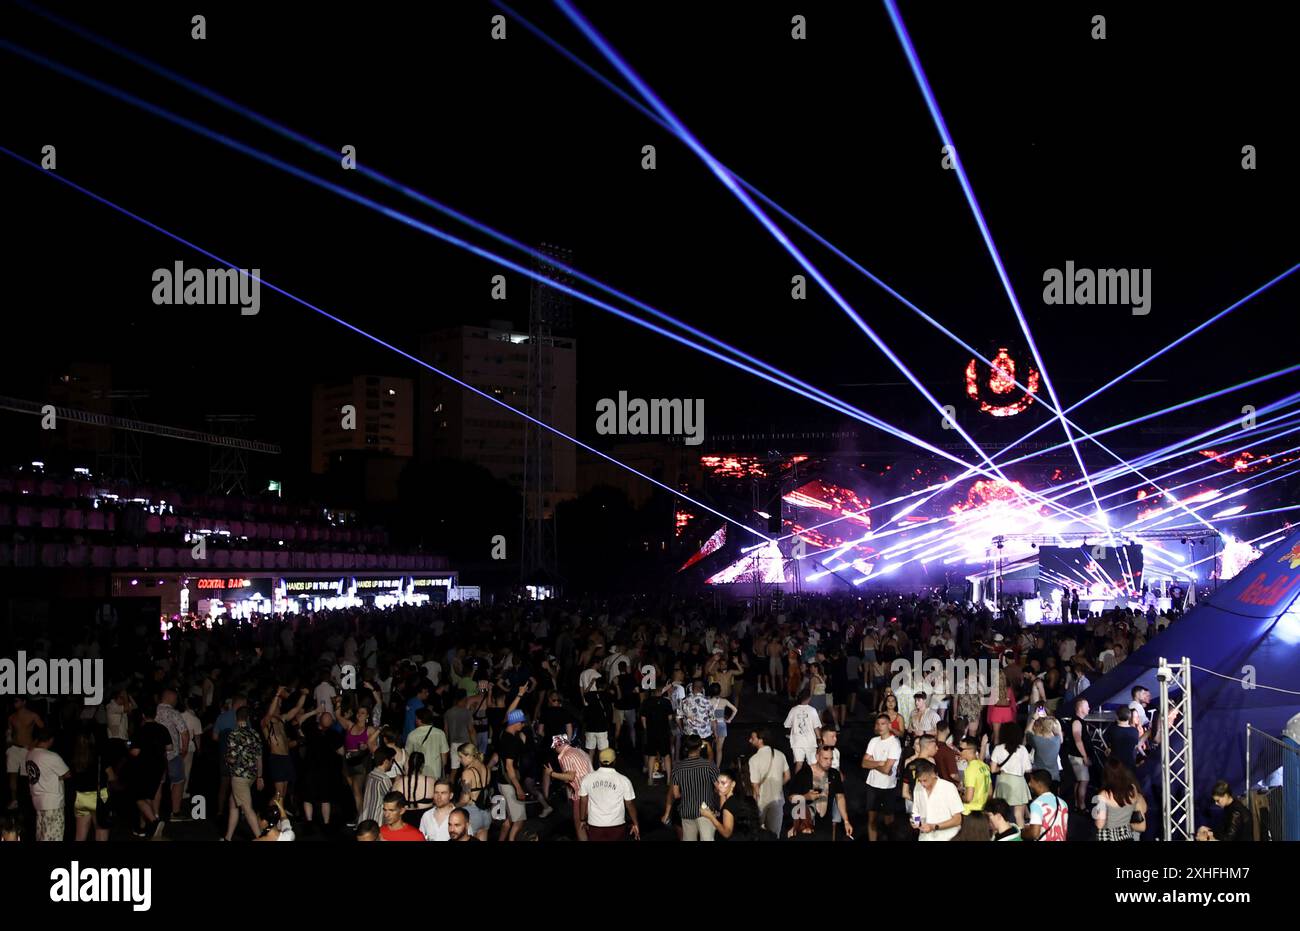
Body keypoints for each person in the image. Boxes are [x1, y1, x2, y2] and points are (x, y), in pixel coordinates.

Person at [784, 745, 852, 840]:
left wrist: (846, 821)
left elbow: (840, 797)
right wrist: (806, 797)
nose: (829, 762)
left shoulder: (834, 774)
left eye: (831, 759)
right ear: (817, 757)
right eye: (825, 758)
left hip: (825, 824)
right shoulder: (804, 773)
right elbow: (791, 798)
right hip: (807, 824)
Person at [664, 735, 719, 841]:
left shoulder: (677, 768)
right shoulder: (709, 766)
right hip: (705, 811)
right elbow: (718, 788)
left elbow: (675, 794)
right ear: (700, 747)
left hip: (686, 810)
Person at [223, 706, 264, 841]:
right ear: (247, 718)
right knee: (233, 804)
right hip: (251, 775)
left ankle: (260, 838)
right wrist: (259, 777)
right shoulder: (255, 734)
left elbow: (232, 758)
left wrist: (226, 758)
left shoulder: (234, 734)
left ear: (236, 718)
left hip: (239, 776)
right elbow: (259, 758)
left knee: (247, 808)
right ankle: (228, 837)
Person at [579, 748, 640, 841]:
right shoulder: (624, 780)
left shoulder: (587, 779)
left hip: (595, 825)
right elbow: (629, 804)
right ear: (614, 761)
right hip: (617, 825)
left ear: (599, 762)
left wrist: (582, 820)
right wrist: (635, 823)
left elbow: (583, 800)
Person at [861, 713, 902, 842]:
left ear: (889, 725)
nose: (880, 726)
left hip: (888, 786)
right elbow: (863, 763)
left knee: (888, 821)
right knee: (871, 819)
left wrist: (872, 764)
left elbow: (886, 770)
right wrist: (879, 763)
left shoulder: (894, 743)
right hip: (872, 785)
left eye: (883, 724)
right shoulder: (874, 741)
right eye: (878, 724)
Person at [25, 728, 70, 841]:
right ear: (50, 740)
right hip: (52, 802)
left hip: (37, 800)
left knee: (41, 836)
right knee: (53, 837)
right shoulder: (51, 756)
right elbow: (67, 774)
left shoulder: (30, 754)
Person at [545, 734, 592, 840]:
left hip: (581, 794)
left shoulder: (565, 756)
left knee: (580, 824)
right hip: (593, 790)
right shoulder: (579, 751)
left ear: (557, 746)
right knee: (592, 824)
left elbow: (570, 776)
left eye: (554, 747)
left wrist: (552, 773)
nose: (554, 750)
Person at [747, 728, 790, 838]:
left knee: (758, 834)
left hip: (762, 802)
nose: (750, 740)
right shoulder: (780, 754)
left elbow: (755, 785)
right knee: (774, 835)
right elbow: (787, 776)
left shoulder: (754, 759)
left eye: (752, 738)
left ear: (760, 740)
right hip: (777, 799)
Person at [1093, 757, 1147, 841]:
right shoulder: (1132, 790)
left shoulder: (1104, 795)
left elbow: (1100, 824)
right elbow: (1141, 807)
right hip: (1126, 835)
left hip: (1108, 836)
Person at [700, 767, 761, 841]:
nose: (719, 786)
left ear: (733, 784)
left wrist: (711, 817)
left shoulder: (729, 805)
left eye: (723, 783)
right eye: (718, 782)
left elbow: (727, 833)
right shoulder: (742, 799)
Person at [989, 722, 1032, 828]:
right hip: (1019, 782)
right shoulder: (1022, 749)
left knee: (1001, 814)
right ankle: (1020, 836)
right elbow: (1028, 769)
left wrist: (1002, 768)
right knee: (1019, 815)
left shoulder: (998, 749)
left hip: (1003, 781)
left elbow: (993, 770)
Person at [911, 758, 963, 841]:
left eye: (925, 780)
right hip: (925, 838)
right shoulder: (918, 787)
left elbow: (957, 819)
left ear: (933, 775)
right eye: (920, 781)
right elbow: (916, 811)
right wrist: (916, 822)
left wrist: (934, 826)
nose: (922, 784)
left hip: (947, 837)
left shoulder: (948, 788)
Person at [455, 744, 492, 840]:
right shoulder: (487, 768)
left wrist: (453, 806)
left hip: (472, 813)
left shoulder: (467, 773)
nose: (459, 760)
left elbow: (465, 800)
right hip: (486, 814)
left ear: (469, 756)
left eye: (460, 757)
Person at [404, 707, 449, 779]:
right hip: (435, 772)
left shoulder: (412, 735)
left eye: (416, 718)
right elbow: (444, 758)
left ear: (419, 720)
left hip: (419, 772)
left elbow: (407, 755)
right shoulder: (440, 733)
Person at [1024, 769, 1069, 841]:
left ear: (1038, 783)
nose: (1029, 784)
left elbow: (1034, 834)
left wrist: (1022, 833)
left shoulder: (1037, 804)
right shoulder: (1063, 803)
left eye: (1031, 781)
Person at [358, 746, 398, 826]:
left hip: (365, 818)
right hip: (376, 821)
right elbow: (391, 799)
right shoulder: (383, 779)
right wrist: (397, 782)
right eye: (392, 760)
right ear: (386, 761)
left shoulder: (371, 774)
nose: (393, 763)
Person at [783, 690, 822, 773]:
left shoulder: (793, 710)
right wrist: (819, 739)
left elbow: (787, 725)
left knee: (799, 764)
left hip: (797, 742)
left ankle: (797, 783)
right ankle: (813, 783)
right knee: (812, 764)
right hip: (810, 742)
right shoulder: (812, 710)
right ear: (809, 698)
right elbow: (816, 727)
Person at [959, 736, 991, 815]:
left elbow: (968, 798)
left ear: (970, 750)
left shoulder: (970, 769)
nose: (959, 752)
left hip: (969, 812)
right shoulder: (985, 766)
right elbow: (990, 792)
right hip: (982, 811)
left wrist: (960, 796)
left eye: (961, 749)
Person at [707, 682, 737, 764]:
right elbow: (735, 710)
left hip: (710, 725)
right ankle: (717, 768)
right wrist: (729, 719)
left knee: (710, 747)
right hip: (721, 724)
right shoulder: (724, 701)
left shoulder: (707, 701)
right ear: (720, 691)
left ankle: (710, 766)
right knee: (719, 749)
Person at [1107, 707, 1141, 772]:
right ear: (1129, 717)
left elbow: (1108, 744)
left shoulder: (1112, 730)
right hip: (1130, 765)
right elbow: (1135, 745)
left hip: (1115, 766)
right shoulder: (1135, 731)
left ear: (1117, 716)